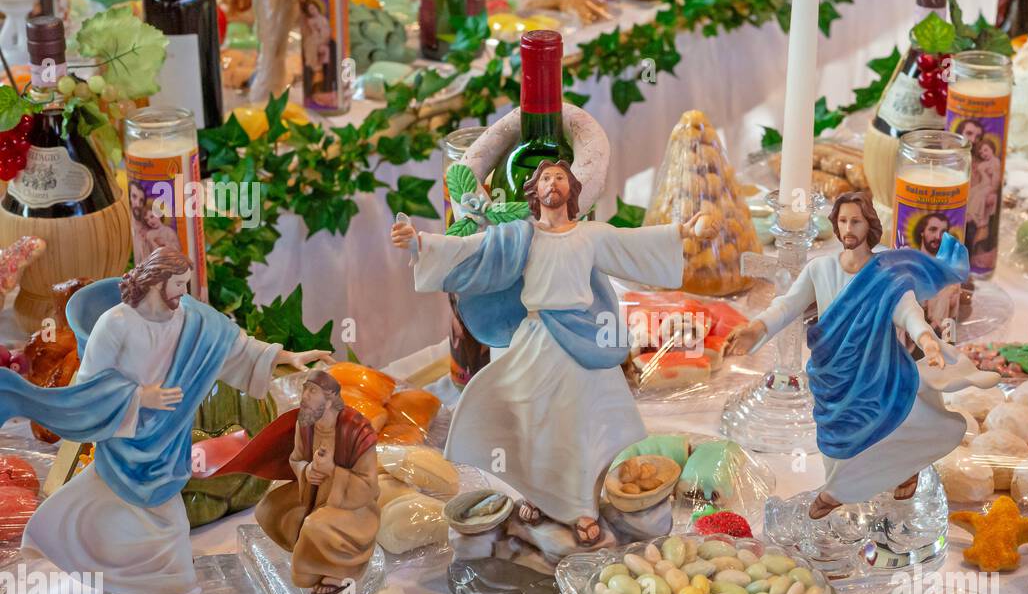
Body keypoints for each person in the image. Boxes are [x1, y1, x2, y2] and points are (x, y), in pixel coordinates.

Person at [0, 248, 333, 594]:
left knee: (98, 504)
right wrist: (140, 397)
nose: (183, 292)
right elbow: (92, 386)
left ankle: (57, 541)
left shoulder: (189, 318)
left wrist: (287, 356)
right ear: (154, 283)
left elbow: (235, 347)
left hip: (167, 444)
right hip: (126, 442)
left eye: (185, 284)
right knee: (167, 523)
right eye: (178, 284)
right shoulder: (114, 325)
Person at [391, 160, 719, 546]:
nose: (552, 183)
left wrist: (685, 231)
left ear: (571, 189)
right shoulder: (520, 236)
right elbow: (471, 251)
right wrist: (419, 243)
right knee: (532, 423)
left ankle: (582, 507)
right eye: (545, 178)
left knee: (581, 426)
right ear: (535, 191)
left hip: (581, 342)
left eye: (560, 177)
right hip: (535, 338)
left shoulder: (590, 235)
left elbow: (633, 243)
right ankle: (537, 496)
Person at [726, 191, 976, 519]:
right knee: (836, 441)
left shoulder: (885, 271)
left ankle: (846, 490)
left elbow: (908, 310)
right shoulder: (820, 269)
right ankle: (843, 487)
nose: (848, 227)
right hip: (833, 374)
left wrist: (927, 340)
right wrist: (757, 328)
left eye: (855, 220)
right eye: (842, 220)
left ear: (869, 224)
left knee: (899, 425)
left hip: (879, 371)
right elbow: (789, 304)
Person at [255, 371, 380, 594]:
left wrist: (332, 470)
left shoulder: (358, 431)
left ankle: (339, 570)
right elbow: (296, 458)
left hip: (351, 507)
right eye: (305, 389)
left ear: (330, 398)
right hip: (312, 494)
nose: (304, 397)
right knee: (267, 509)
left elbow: (369, 486)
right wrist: (308, 470)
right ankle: (307, 551)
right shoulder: (306, 423)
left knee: (315, 527)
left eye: (312, 391)